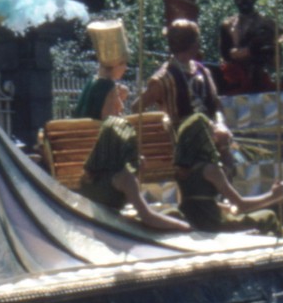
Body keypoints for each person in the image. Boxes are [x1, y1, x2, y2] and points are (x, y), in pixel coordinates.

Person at [74, 82, 195, 234]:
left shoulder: (88, 174)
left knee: (172, 214)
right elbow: (147, 217)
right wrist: (184, 227)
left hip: (93, 225)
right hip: (114, 230)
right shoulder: (124, 178)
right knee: (177, 218)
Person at [173, 110, 283, 236]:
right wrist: (273, 196)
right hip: (214, 224)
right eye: (211, 132)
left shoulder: (181, 171)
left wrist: (223, 207)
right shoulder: (211, 170)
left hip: (194, 222)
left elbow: (194, 202)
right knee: (268, 216)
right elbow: (240, 205)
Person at [137, 20, 230, 144]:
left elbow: (217, 105)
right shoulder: (163, 79)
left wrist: (220, 124)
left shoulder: (203, 71)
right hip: (183, 147)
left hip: (212, 138)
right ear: (192, 43)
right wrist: (156, 135)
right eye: (197, 38)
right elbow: (136, 107)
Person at [218, 0, 280, 94]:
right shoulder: (228, 25)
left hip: (261, 78)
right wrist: (243, 52)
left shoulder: (266, 23)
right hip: (235, 80)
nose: (244, 0)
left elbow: (277, 58)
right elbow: (225, 54)